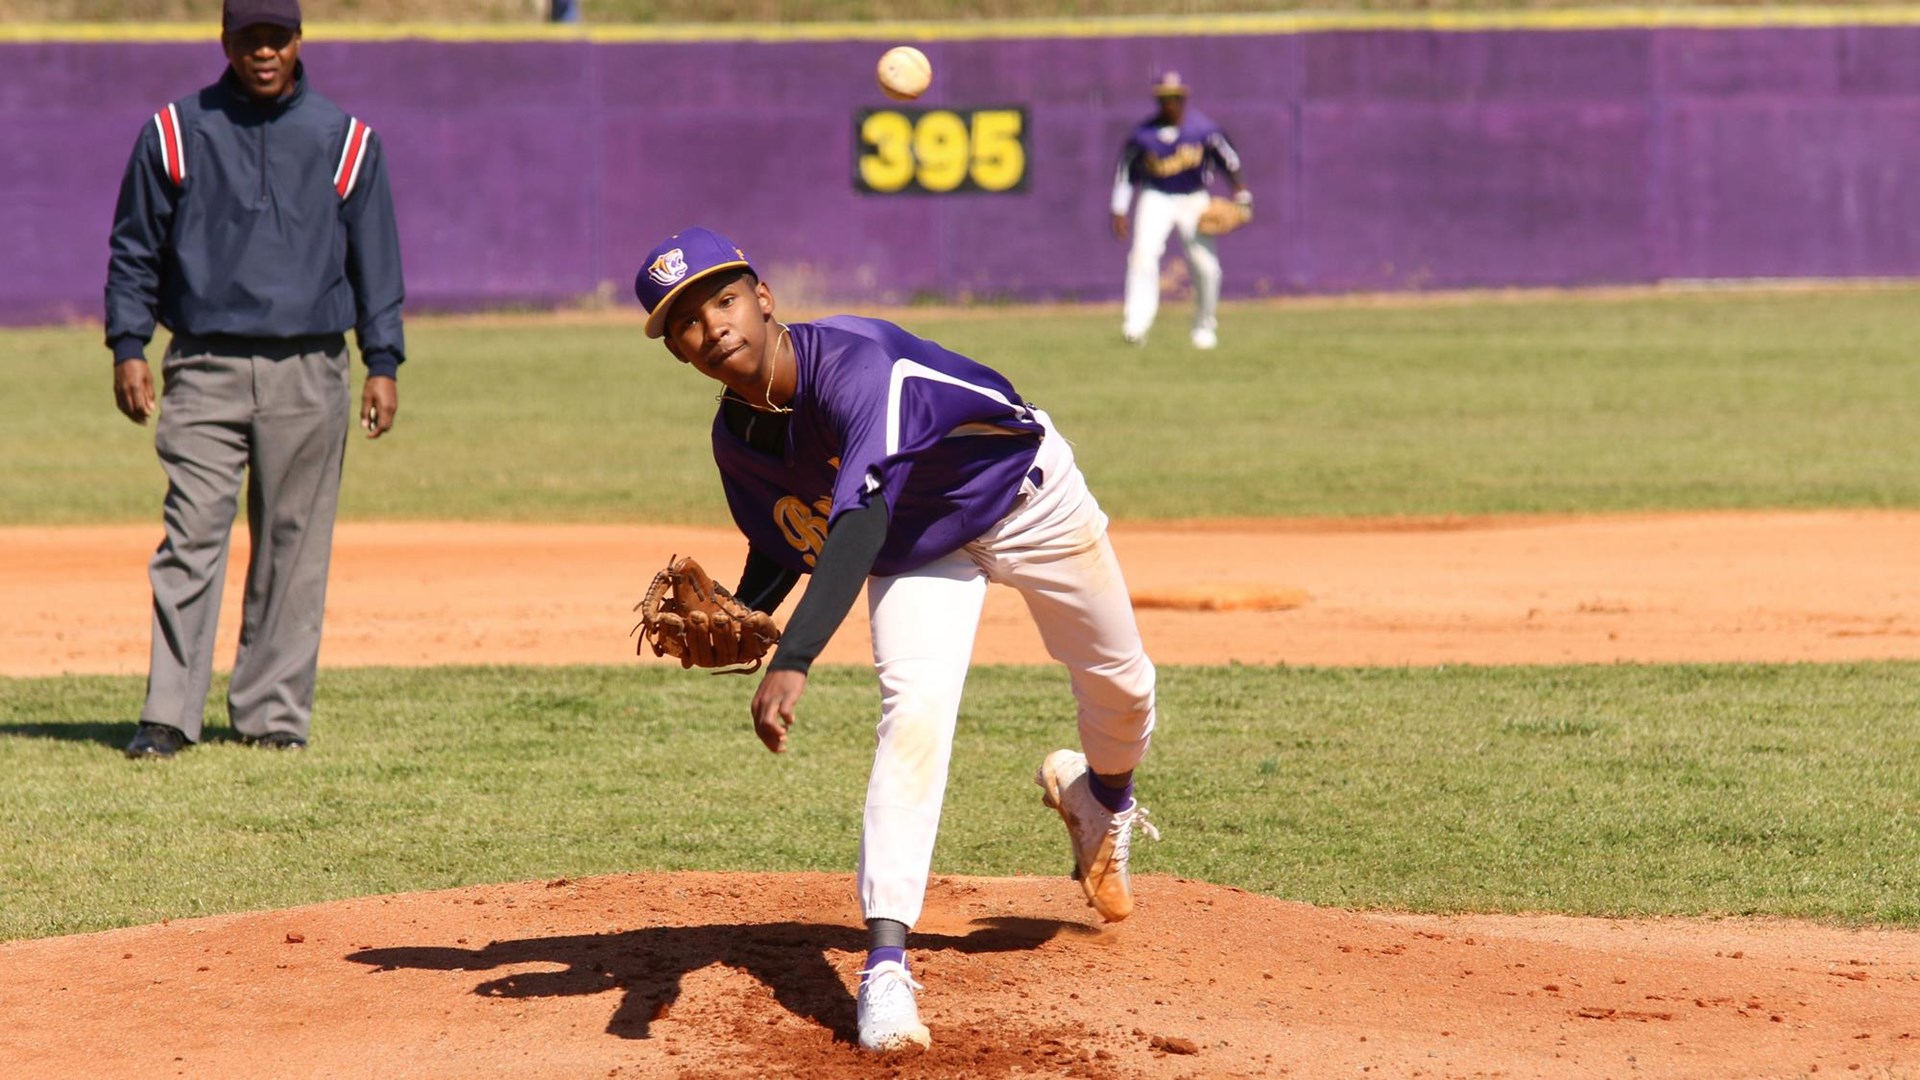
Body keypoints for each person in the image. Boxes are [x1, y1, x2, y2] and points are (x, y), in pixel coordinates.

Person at [633, 227, 1160, 1053]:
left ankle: (1102, 800)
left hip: (1027, 499)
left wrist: (794, 656)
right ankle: (885, 971)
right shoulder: (735, 439)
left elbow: (859, 515)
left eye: (723, 300)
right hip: (921, 552)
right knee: (912, 713)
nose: (713, 327)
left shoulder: (857, 365)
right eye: (687, 324)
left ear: (763, 298)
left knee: (1122, 686)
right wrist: (747, 605)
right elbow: (787, 539)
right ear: (679, 354)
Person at [105, 0, 406, 759]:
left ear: (300, 41)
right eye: (249, 39)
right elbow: (135, 247)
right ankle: (168, 715)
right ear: (225, 42)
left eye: (276, 38)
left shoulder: (345, 139)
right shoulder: (175, 131)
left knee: (294, 547)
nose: (263, 53)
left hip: (311, 367)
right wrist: (128, 345)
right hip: (202, 364)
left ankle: (271, 717)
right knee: (190, 536)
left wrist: (383, 361)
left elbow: (378, 262)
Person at [1109, 70, 1252, 350]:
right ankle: (1135, 326)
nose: (1170, 103)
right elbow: (1125, 173)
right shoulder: (1142, 136)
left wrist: (1241, 192)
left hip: (1193, 197)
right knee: (1142, 257)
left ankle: (1204, 326)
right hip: (1156, 196)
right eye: (1165, 98)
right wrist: (1119, 209)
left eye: (1175, 97)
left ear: (1183, 98)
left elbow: (1230, 161)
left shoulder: (1204, 130)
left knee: (1206, 266)